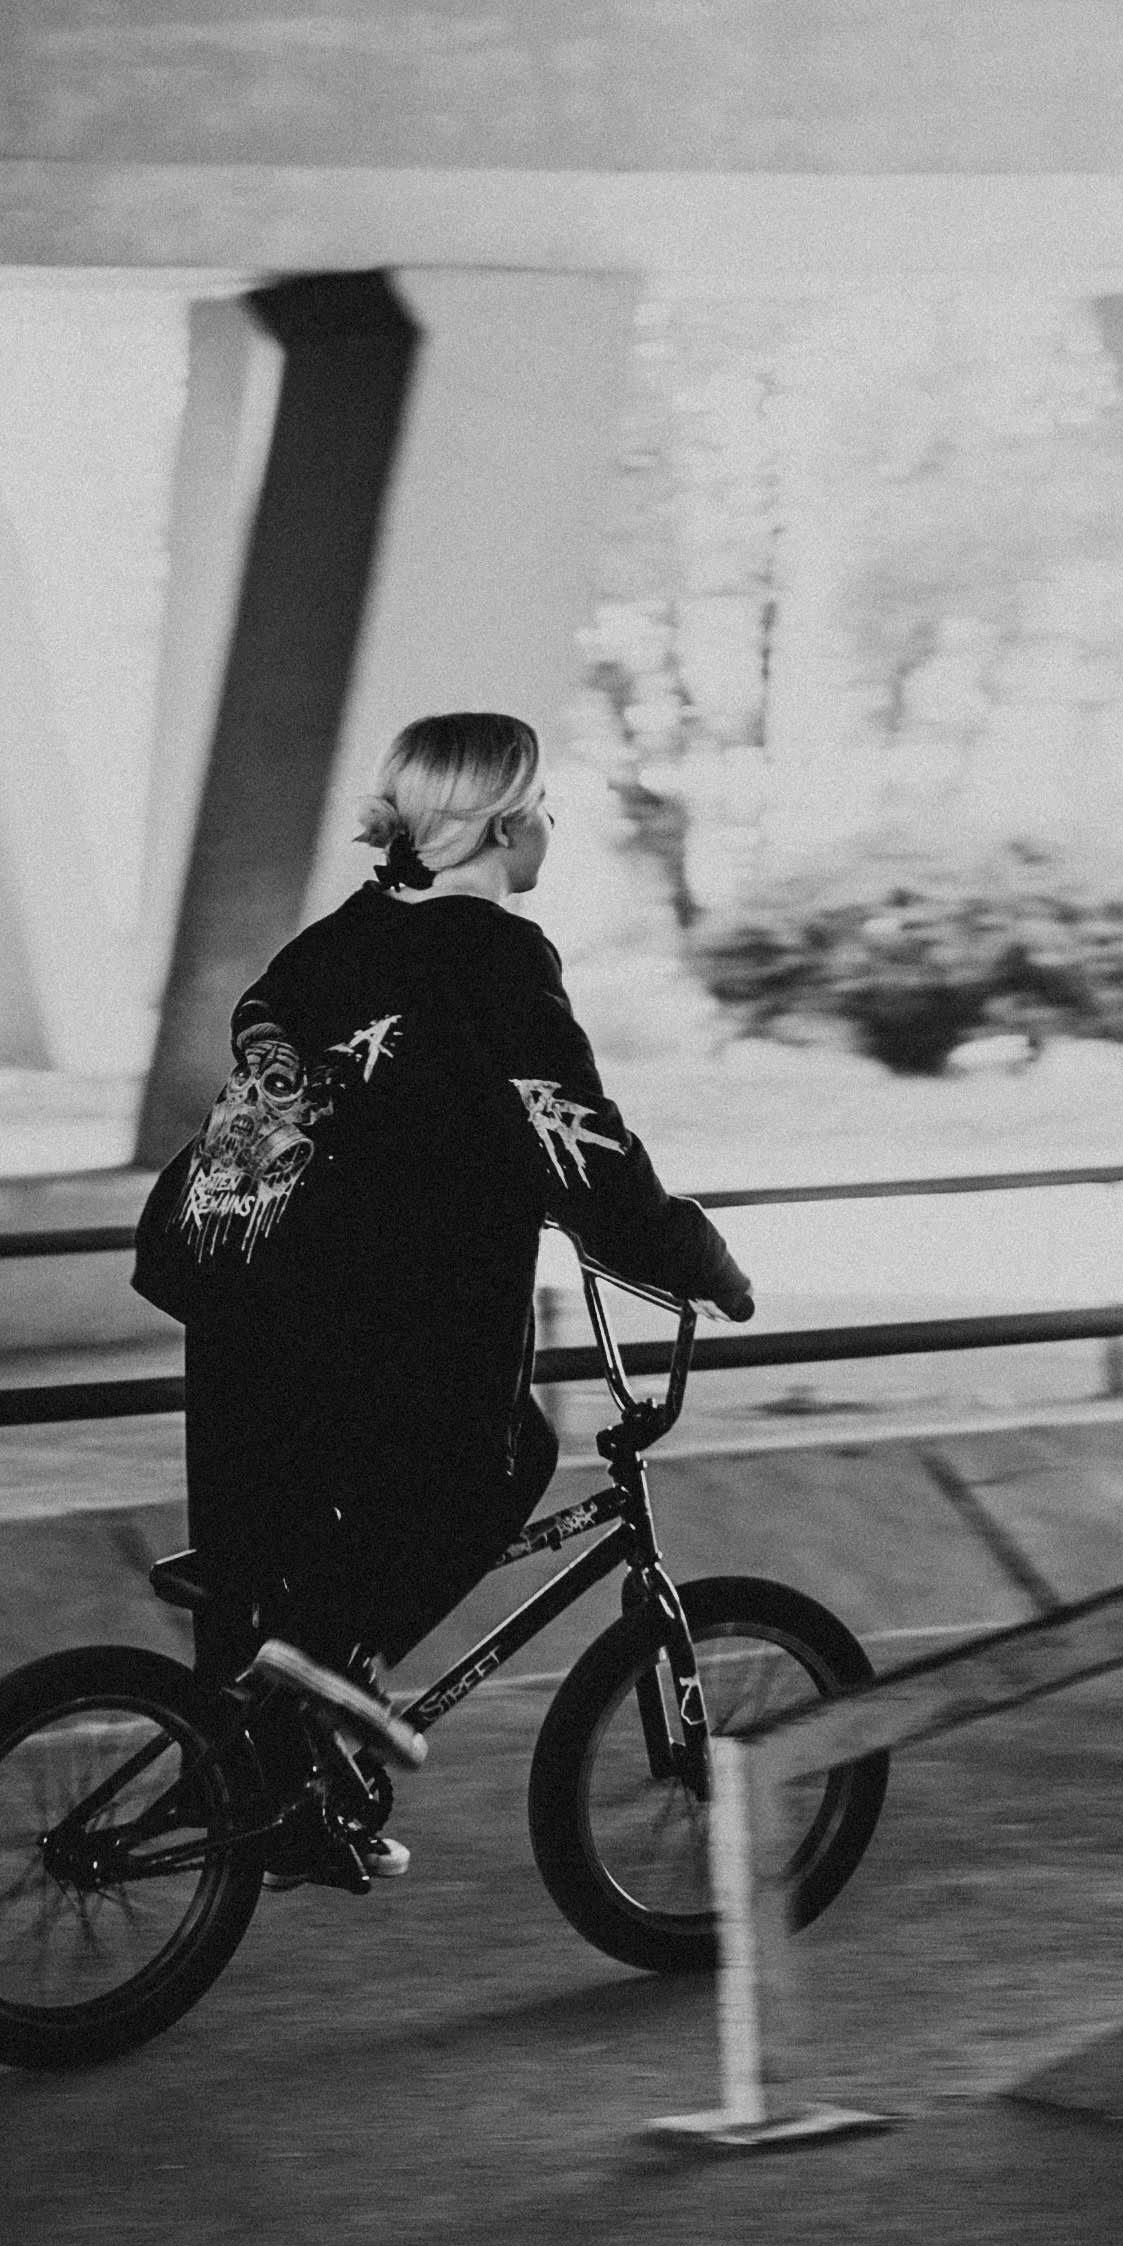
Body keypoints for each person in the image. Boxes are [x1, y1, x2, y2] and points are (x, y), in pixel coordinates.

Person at [134, 710, 753, 1883]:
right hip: (362, 1297)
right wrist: (692, 1259)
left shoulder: (339, 936)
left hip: (231, 1283)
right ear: (505, 822)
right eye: (544, 806)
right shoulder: (495, 956)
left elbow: (271, 1030)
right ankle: (323, 1670)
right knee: (497, 1455)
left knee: (261, 1548)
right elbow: (576, 1142)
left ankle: (259, 1790)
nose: (550, 826)